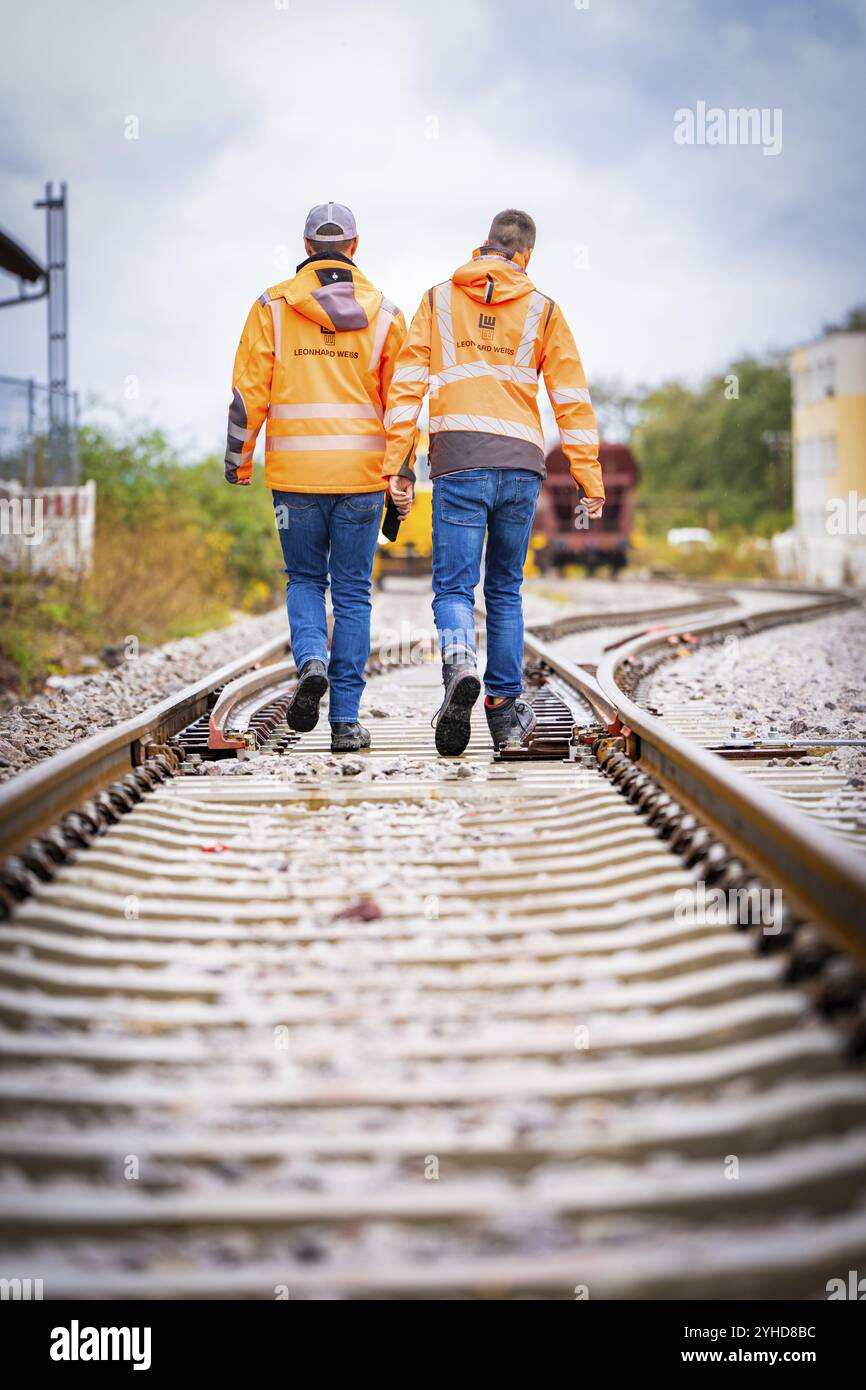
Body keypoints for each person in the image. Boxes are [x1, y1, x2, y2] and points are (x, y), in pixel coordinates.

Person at [382, 209, 605, 756]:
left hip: (458, 461)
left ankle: (460, 663)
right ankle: (504, 712)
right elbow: (570, 399)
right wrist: (588, 475)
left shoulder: (438, 299)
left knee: (455, 589)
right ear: (526, 256)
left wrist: (396, 464)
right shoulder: (543, 309)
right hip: (522, 465)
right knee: (505, 590)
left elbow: (406, 387)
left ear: (480, 246)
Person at [224, 203, 406, 752]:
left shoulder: (271, 307)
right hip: (362, 478)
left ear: (306, 246)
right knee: (352, 595)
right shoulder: (387, 314)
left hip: (296, 476)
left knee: (305, 581)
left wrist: (238, 460)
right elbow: (403, 407)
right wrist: (401, 474)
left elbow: (246, 393)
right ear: (355, 246)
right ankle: (346, 723)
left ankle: (309, 663)